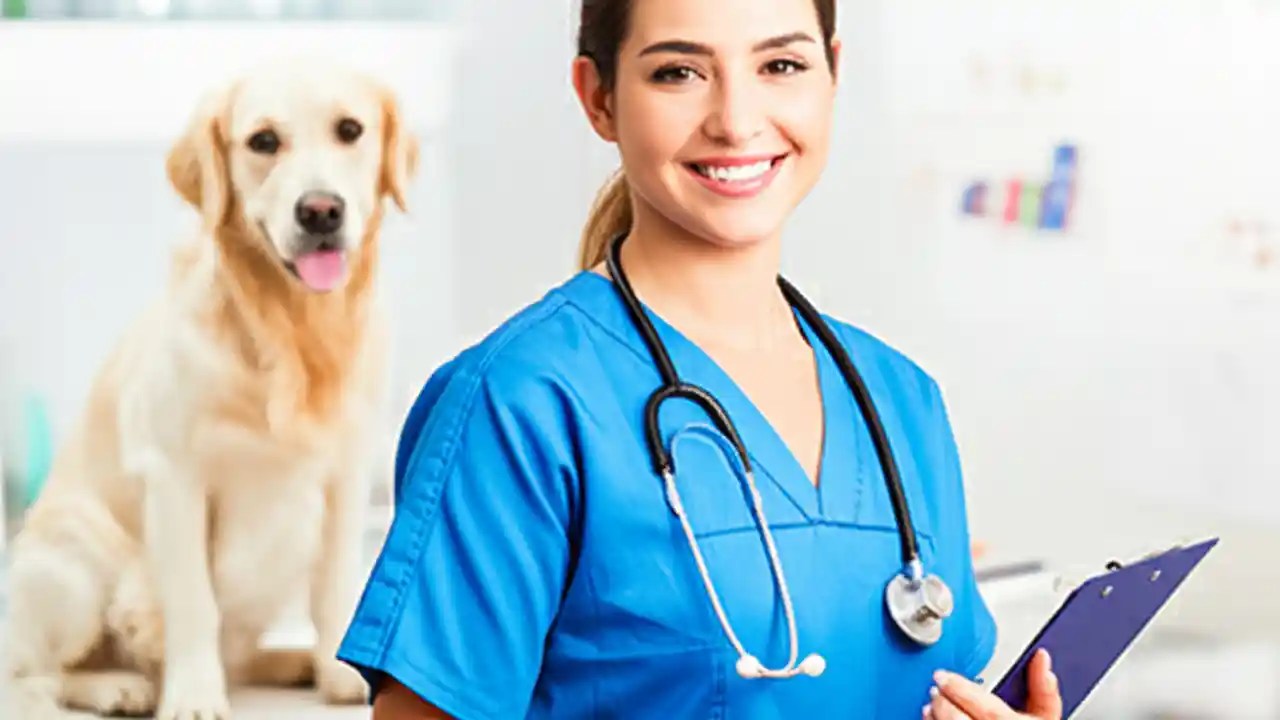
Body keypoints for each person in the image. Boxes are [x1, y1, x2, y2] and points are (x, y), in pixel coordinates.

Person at [337, 0, 1065, 717]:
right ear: (599, 99)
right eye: (679, 72)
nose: (737, 120)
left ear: (832, 77)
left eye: (781, 64)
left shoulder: (903, 401)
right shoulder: (521, 402)